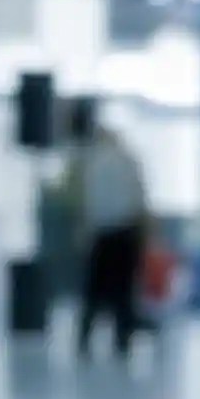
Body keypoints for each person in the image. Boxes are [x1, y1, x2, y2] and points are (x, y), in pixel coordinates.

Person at [70, 125, 149, 359]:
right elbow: (139, 197)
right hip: (126, 232)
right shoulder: (128, 161)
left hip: (101, 234)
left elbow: (84, 201)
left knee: (94, 289)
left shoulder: (92, 163)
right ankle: (122, 340)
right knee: (124, 290)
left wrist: (83, 231)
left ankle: (84, 338)